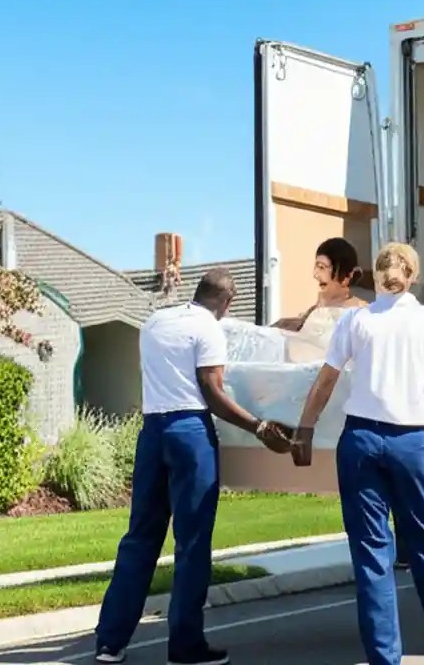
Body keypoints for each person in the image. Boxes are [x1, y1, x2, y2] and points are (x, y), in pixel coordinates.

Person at [291, 243, 424, 665]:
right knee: (423, 542)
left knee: (371, 553)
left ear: (378, 278)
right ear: (412, 277)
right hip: (410, 443)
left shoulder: (355, 321)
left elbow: (325, 382)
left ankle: (384, 658)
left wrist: (304, 430)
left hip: (360, 441)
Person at [94, 268, 295, 665]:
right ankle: (185, 647)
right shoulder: (208, 329)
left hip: (152, 432)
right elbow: (213, 391)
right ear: (227, 301)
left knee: (139, 539)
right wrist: (259, 426)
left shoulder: (155, 322)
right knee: (191, 542)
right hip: (189, 434)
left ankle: (110, 643)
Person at [270, 236, 369, 334]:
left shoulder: (360, 312)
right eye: (316, 267)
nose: (315, 275)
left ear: (347, 275)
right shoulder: (316, 309)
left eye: (322, 267)